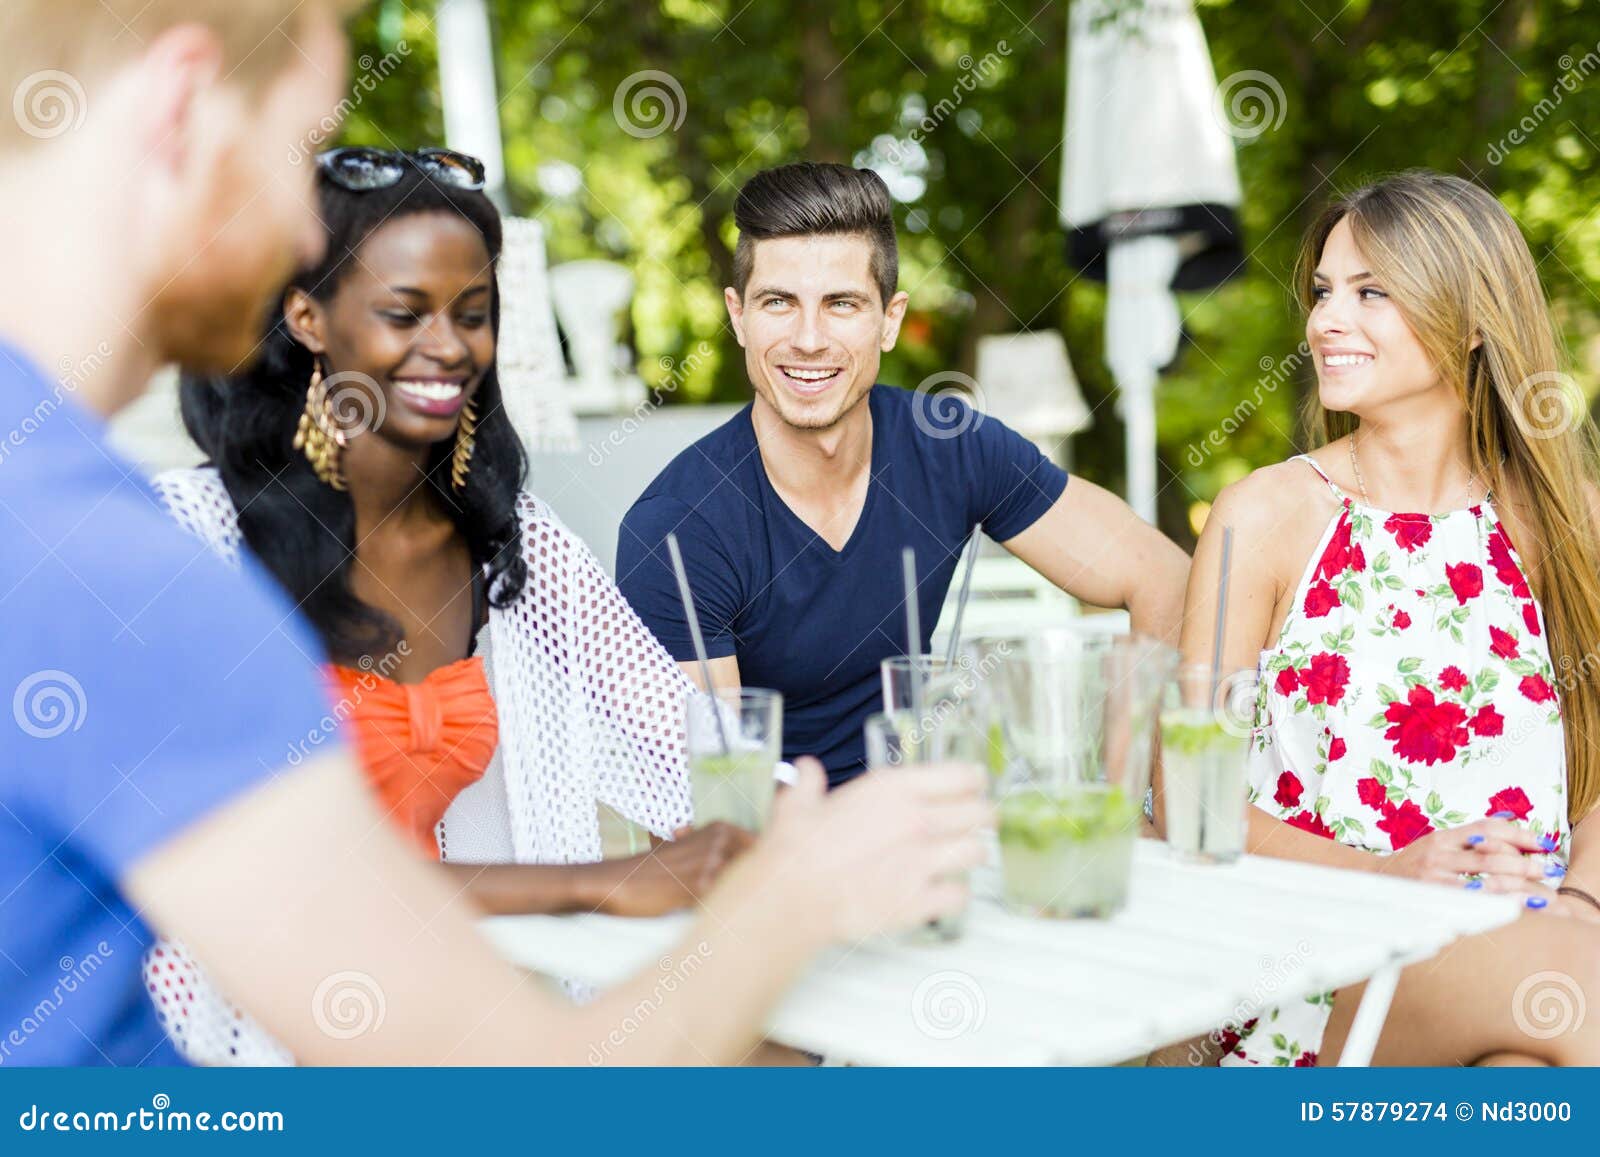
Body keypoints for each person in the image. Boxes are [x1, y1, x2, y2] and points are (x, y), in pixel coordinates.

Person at [0, 0, 989, 1067]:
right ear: (181, 105)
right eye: (299, 152)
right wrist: (794, 897)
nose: (302, 232)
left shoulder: (66, 528)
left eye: (471, 311)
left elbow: (687, 750)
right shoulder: (135, 574)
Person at [146, 149, 763, 1063]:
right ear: (306, 315)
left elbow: (688, 738)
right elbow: (265, 881)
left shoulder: (516, 543)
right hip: (238, 1048)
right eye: (405, 313)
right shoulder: (193, 540)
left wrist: (841, 824)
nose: (448, 347)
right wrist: (599, 881)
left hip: (451, 1012)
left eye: (472, 315)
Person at [1162, 170, 1600, 1067]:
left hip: (1532, 954)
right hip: (1322, 949)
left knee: (1527, 1076)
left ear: (1473, 318)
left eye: (1372, 292)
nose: (1326, 320)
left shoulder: (1564, 518)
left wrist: (1580, 912)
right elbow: (1187, 804)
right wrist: (1386, 873)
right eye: (1324, 291)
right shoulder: (1266, 515)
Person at [617, 162, 1189, 786]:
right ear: (738, 316)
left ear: (889, 320)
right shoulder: (676, 530)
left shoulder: (951, 445)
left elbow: (1162, 576)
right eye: (778, 303)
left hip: (929, 824)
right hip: (779, 858)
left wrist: (1134, 794)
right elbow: (710, 809)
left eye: (842, 304)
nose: (808, 339)